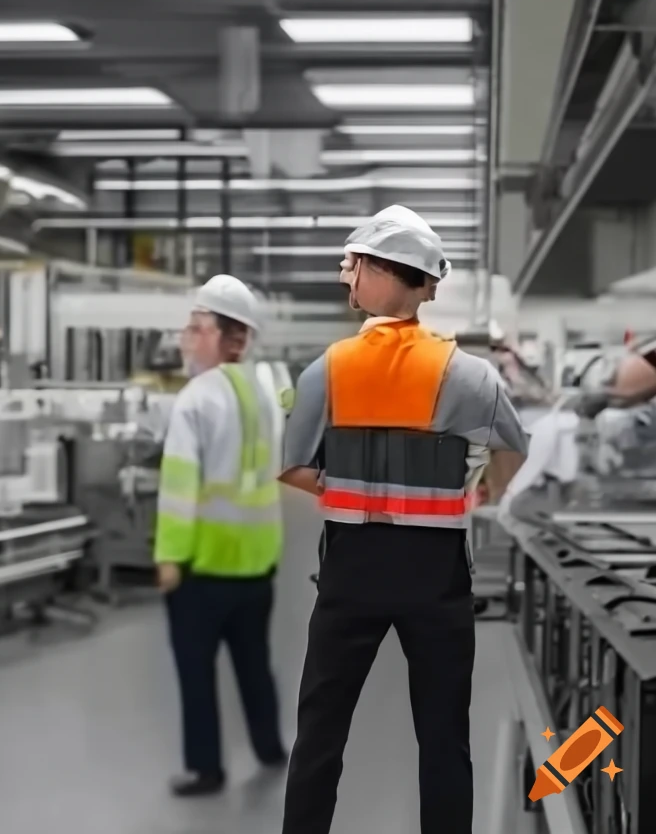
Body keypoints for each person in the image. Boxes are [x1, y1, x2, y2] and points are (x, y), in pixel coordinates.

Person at [278, 206, 529, 834]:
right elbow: (512, 450)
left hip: (350, 571)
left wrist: (344, 488)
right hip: (436, 575)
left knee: (319, 736)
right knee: (444, 739)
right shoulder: (471, 376)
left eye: (353, 265)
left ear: (382, 272)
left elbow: (292, 466)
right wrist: (469, 494)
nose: (346, 277)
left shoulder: (326, 370)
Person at [154, 274, 287, 797]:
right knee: (255, 662)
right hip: (258, 561)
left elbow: (180, 488)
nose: (188, 338)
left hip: (204, 566)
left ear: (232, 337)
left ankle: (207, 769)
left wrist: (169, 557)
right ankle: (270, 746)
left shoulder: (197, 399)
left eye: (198, 328)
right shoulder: (264, 392)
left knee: (197, 673)